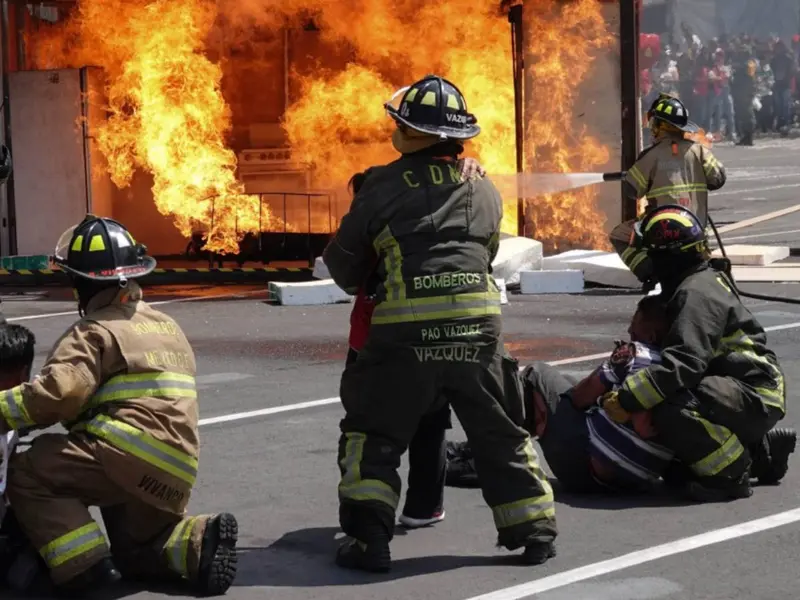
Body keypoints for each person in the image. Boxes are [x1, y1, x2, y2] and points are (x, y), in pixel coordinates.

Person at [324, 74, 557, 573]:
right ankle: (534, 530)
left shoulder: (382, 185)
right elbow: (486, 254)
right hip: (478, 333)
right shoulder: (485, 189)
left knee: (373, 433)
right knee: (500, 431)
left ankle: (370, 541)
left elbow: (344, 268)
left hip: (404, 336)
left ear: (409, 131)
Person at [0, 215, 238, 596]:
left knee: (29, 471)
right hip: (176, 468)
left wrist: (4, 410)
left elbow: (60, 394)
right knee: (138, 550)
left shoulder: (93, 330)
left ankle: (86, 568)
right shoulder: (166, 326)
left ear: (82, 282)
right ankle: (196, 545)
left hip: (123, 454)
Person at [601, 204, 796, 502]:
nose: (646, 262)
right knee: (678, 461)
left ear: (667, 257)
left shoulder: (695, 294)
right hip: (737, 387)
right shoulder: (693, 279)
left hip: (754, 393)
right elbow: (621, 238)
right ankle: (762, 452)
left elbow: (684, 364)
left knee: (670, 406)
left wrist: (629, 397)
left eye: (651, 253)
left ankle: (730, 476)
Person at [346, 161, 497, 530]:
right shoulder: (415, 234)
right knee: (430, 423)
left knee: (370, 432)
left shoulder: (372, 234)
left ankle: (370, 522)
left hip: (374, 346)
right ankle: (424, 506)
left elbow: (347, 272)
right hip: (427, 339)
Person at [447, 296, 678, 494]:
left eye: (635, 324)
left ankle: (485, 461)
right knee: (565, 385)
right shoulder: (679, 366)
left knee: (536, 375)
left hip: (582, 468)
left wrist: (608, 371)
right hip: (633, 483)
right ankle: (471, 449)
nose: (629, 331)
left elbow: (580, 398)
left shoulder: (634, 354)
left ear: (652, 335)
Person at [609, 95, 726, 290]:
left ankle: (650, 273)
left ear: (659, 125)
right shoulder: (699, 151)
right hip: (696, 231)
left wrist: (636, 174)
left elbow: (631, 191)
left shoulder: (651, 155)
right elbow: (718, 179)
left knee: (619, 235)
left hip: (662, 231)